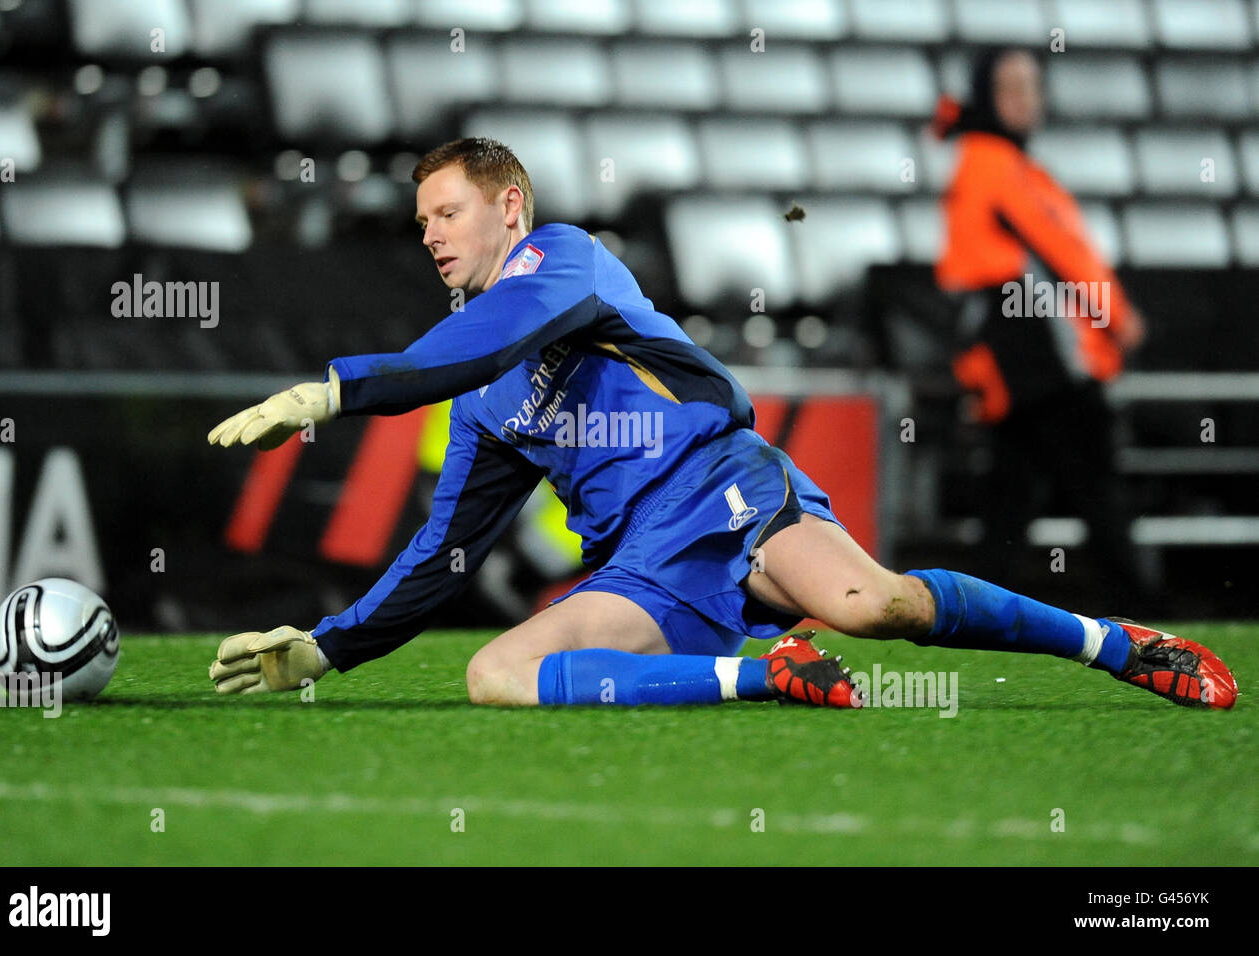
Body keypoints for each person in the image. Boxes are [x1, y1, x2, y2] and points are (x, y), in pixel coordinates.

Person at [206, 137, 1234, 710]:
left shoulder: (565, 262)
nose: (428, 234)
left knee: (875, 608)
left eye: (447, 211)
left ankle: (1112, 641)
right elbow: (444, 552)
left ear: (509, 207)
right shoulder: (474, 394)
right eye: (420, 219)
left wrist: (338, 389)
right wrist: (328, 648)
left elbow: (488, 339)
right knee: (492, 674)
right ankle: (760, 672)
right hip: (642, 564)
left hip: (722, 488)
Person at [933, 48, 1150, 598]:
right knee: (1093, 488)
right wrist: (1116, 319)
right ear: (987, 96)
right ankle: (1144, 609)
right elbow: (1061, 253)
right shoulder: (994, 163)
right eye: (1012, 86)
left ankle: (973, 609)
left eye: (1033, 85)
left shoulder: (991, 160)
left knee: (1012, 496)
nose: (1027, 98)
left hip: (1017, 351)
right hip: (1037, 351)